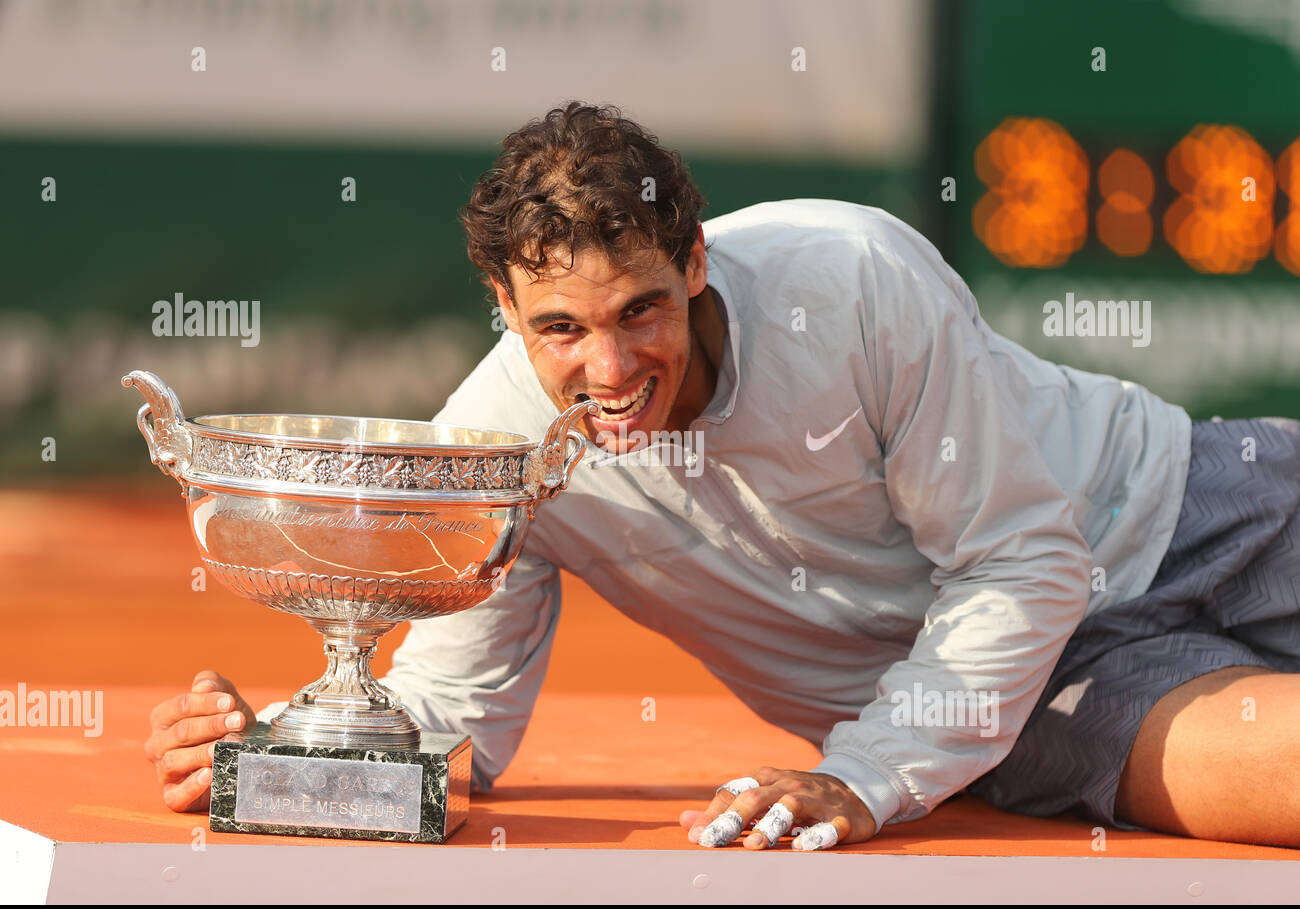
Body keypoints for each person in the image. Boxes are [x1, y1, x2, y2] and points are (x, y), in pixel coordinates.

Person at [145, 101, 1300, 851]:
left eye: (641, 308)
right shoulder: (495, 449)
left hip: (1191, 497)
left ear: (695, 262)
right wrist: (307, 755)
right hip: (1023, 702)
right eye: (557, 328)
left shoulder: (850, 276)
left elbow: (1020, 555)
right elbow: (456, 717)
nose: (610, 367)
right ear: (501, 311)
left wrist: (865, 775)